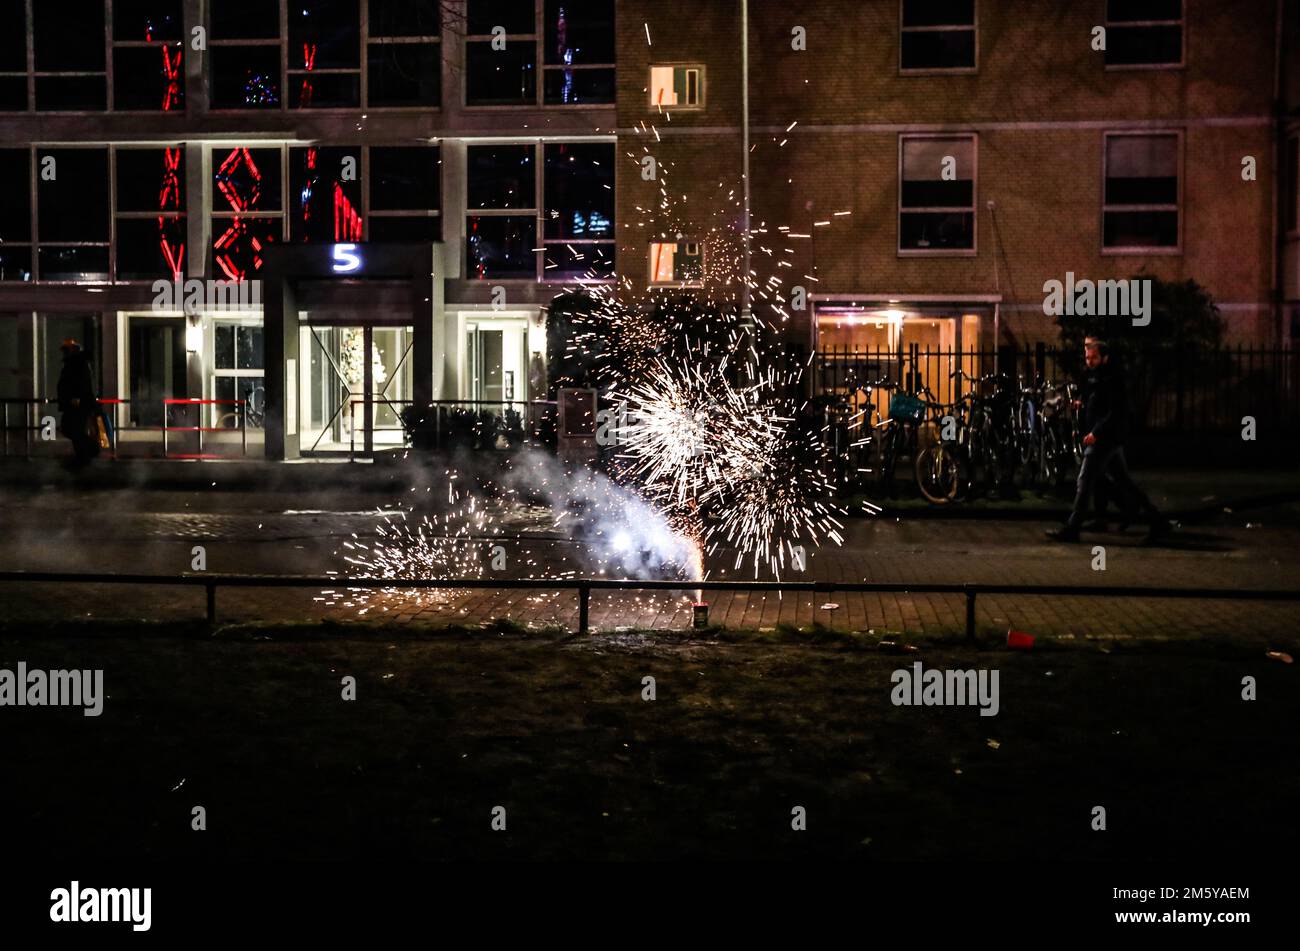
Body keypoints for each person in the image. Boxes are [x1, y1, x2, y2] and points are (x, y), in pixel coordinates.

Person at [1047, 336, 1170, 544]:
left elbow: (1115, 410)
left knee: (1085, 481)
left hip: (1104, 439)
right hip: (1107, 439)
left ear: (1105, 358)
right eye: (1087, 357)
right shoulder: (1094, 376)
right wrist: (1081, 405)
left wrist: (1096, 432)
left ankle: (1072, 528)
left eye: (1094, 358)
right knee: (1124, 482)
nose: (1090, 361)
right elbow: (1094, 403)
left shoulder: (1112, 378)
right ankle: (1158, 521)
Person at [56, 338, 101, 467]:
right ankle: (85, 454)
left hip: (77, 404)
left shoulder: (77, 363)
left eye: (66, 350)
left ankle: (87, 453)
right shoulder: (76, 363)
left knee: (73, 429)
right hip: (75, 403)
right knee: (72, 429)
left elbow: (80, 383)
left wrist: (76, 398)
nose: (64, 352)